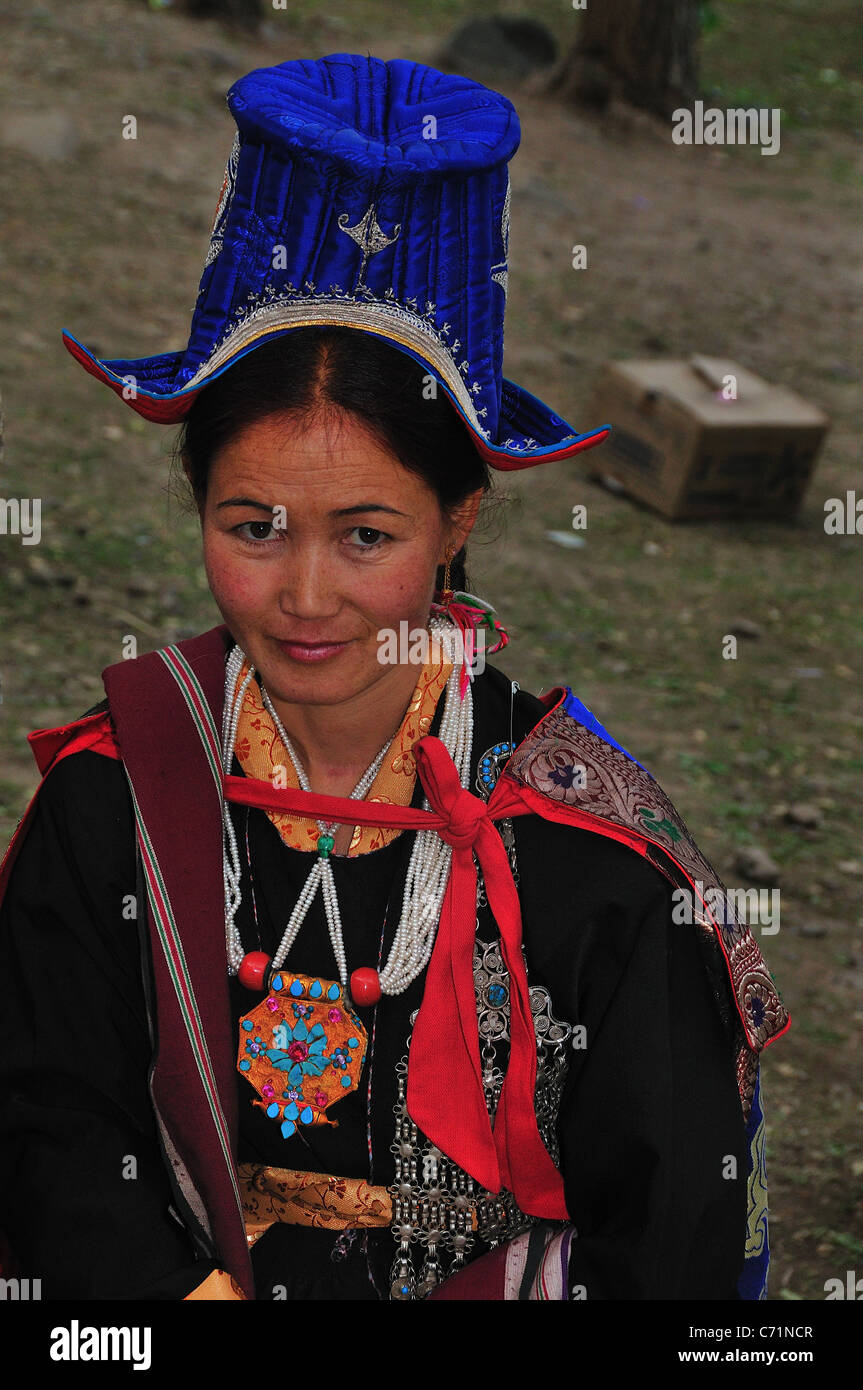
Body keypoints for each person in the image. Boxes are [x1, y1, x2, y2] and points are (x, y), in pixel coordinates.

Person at [0, 53, 788, 1301]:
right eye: (251, 525)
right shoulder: (113, 806)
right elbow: (49, 1131)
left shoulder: (588, 867)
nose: (306, 597)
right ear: (194, 501)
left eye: (367, 535)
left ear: (458, 514)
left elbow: (677, 1235)